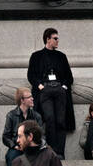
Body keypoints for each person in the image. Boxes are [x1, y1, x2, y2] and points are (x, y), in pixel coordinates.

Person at [27, 28, 75, 157]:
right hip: (45, 91)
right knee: (49, 118)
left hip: (59, 90)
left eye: (58, 38)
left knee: (60, 120)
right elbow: (31, 75)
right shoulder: (36, 56)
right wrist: (40, 86)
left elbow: (69, 77)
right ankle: (51, 151)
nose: (58, 40)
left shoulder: (61, 56)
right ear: (48, 39)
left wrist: (64, 87)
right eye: (55, 38)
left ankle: (60, 152)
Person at [2, 87, 42, 166]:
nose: (32, 99)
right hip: (17, 147)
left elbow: (42, 136)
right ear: (22, 100)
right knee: (11, 157)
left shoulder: (36, 116)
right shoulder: (11, 115)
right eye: (29, 97)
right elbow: (5, 137)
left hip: (32, 148)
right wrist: (14, 145)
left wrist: (35, 145)